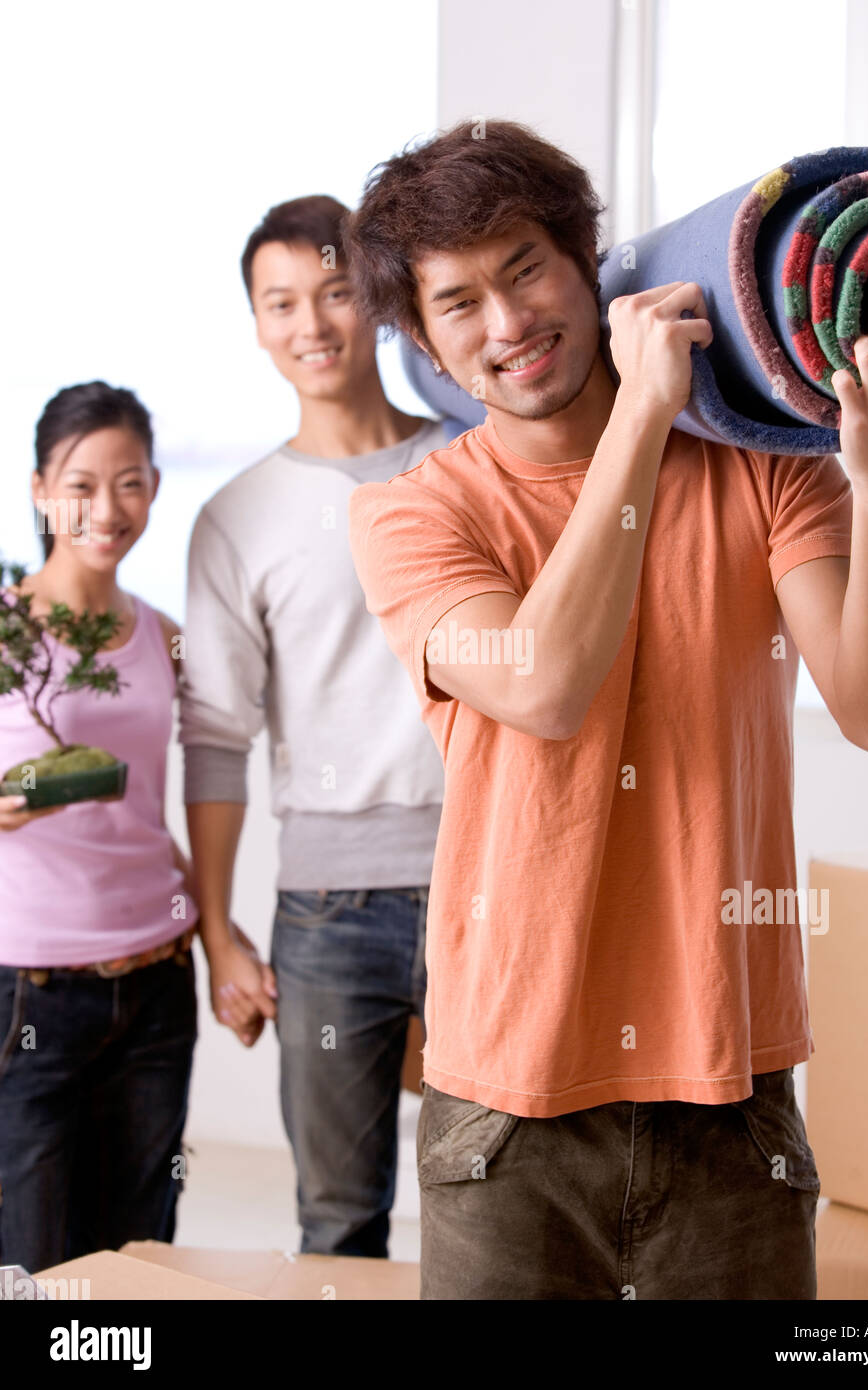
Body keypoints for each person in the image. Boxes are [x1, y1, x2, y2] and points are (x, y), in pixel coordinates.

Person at [344, 120, 868, 1299]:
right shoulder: (413, 513)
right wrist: (638, 417)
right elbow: (540, 680)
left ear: (590, 265)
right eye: (459, 303)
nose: (511, 324)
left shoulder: (766, 462)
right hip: (509, 1101)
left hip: (729, 1084)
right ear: (424, 342)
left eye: (527, 268)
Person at [178, 195, 451, 1258]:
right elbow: (214, 735)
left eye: (336, 291)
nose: (313, 323)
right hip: (330, 912)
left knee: (508, 1212)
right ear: (255, 324)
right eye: (281, 301)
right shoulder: (237, 517)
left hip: (494, 877)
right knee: (338, 1222)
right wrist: (218, 932)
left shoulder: (471, 459)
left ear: (377, 295)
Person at [0, 381, 199, 1274]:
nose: (105, 508)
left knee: (136, 1260)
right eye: (80, 484)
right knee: (32, 1264)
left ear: (153, 488)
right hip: (28, 994)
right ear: (41, 489)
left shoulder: (166, 637)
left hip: (158, 982)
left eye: (128, 483)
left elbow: (179, 790)